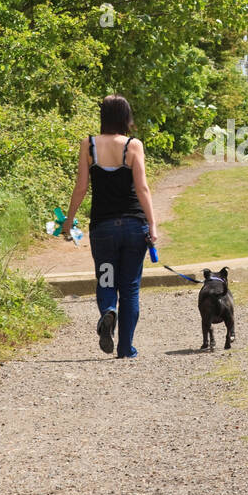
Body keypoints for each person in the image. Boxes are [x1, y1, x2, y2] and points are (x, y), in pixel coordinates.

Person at [61, 95, 158, 358]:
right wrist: (151, 223)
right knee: (129, 287)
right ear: (126, 117)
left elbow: (81, 187)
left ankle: (107, 311)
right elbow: (142, 188)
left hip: (103, 229)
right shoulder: (133, 145)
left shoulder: (88, 145)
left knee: (106, 277)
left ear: (103, 116)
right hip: (133, 227)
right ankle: (126, 348)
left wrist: (69, 221)